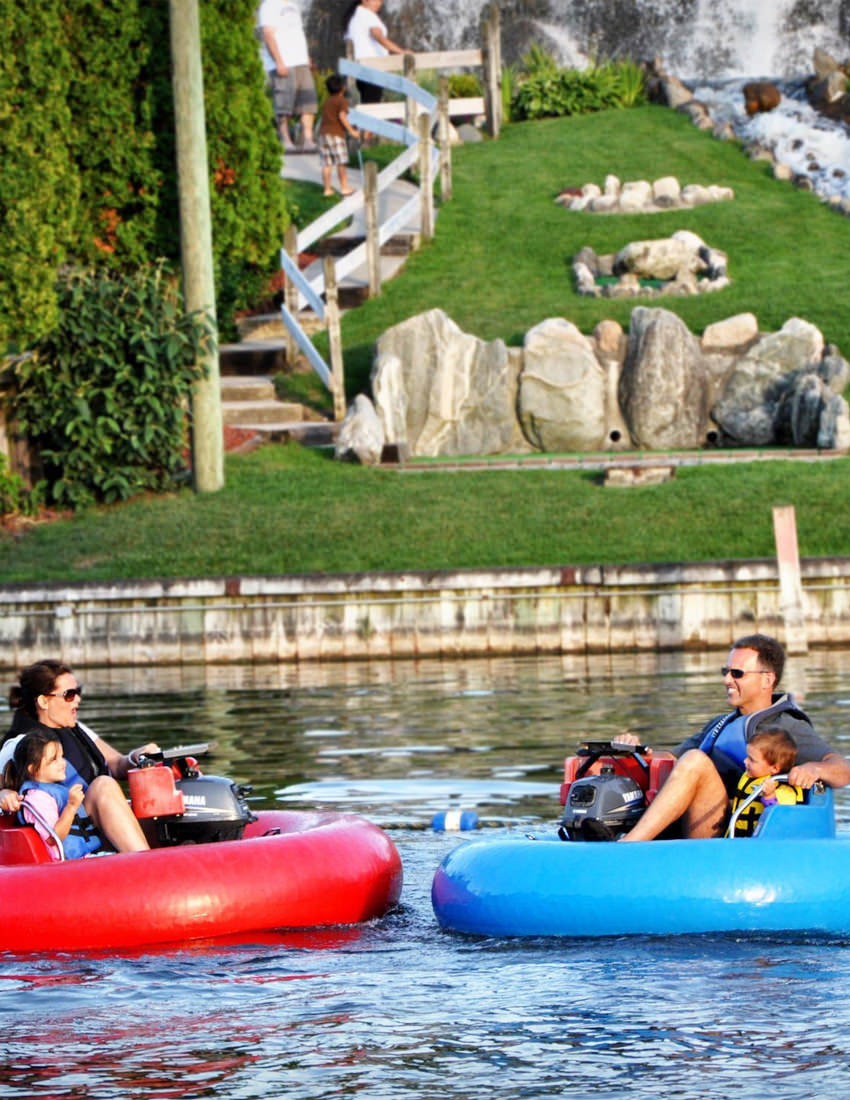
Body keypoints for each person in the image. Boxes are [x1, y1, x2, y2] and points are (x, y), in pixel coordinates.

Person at [619, 633, 850, 841]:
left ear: (767, 680)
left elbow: (842, 770)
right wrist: (633, 750)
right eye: (726, 672)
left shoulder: (786, 726)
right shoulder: (720, 724)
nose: (727, 680)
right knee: (608, 762)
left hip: (729, 836)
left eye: (737, 673)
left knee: (695, 761)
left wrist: (814, 770)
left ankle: (630, 846)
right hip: (696, 821)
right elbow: (669, 759)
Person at [0, 660, 156, 853]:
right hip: (72, 835)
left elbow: (116, 763)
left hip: (97, 821)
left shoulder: (75, 728)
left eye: (78, 692)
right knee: (103, 786)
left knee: (158, 807)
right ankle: (146, 865)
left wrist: (138, 756)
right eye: (69, 695)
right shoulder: (19, 745)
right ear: (43, 701)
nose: (77, 700)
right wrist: (4, 794)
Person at [4, 730, 102, 860]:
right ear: (33, 769)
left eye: (61, 757)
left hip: (83, 857)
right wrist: (71, 807)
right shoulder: (37, 798)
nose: (63, 763)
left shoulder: (51, 790)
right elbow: (53, 838)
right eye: (54, 759)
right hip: (66, 863)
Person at [257, 0, 318, 153]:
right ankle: (285, 140)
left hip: (300, 61)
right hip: (284, 63)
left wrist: (307, 58)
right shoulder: (269, 6)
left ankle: (308, 140)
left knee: (308, 103)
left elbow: (297, 34)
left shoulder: (293, 5)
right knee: (284, 105)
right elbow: (268, 35)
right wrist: (278, 61)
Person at [728, 727, 803, 837]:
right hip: (737, 836)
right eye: (747, 756)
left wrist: (769, 796)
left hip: (760, 842)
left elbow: (779, 820)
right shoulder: (749, 776)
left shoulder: (784, 790)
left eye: (751, 760)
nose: (745, 761)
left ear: (774, 768)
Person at [344, 0, 411, 105]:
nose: (378, 4)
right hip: (372, 67)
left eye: (380, 1)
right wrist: (401, 52)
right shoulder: (367, 15)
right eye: (375, 0)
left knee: (366, 102)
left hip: (358, 67)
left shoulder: (355, 16)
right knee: (372, 104)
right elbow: (378, 36)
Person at [319, 74, 360, 197]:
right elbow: (342, 116)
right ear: (343, 87)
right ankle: (344, 187)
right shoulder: (342, 101)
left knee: (327, 163)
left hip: (323, 134)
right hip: (336, 135)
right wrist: (352, 131)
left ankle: (327, 189)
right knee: (341, 163)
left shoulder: (326, 102)